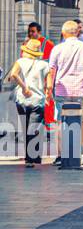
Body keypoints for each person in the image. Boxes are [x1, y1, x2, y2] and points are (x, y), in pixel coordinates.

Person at [46, 20, 83, 164]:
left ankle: (61, 155)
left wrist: (48, 90)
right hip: (82, 89)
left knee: (60, 121)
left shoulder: (57, 49)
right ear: (77, 32)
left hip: (62, 90)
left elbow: (51, 71)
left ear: (63, 33)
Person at [8, 37, 49, 166]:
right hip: (37, 100)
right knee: (34, 129)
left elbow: (14, 74)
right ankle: (34, 157)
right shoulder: (44, 64)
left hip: (21, 100)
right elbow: (48, 84)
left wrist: (24, 87)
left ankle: (28, 158)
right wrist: (48, 96)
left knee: (25, 128)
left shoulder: (20, 61)